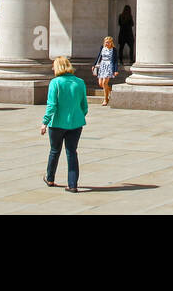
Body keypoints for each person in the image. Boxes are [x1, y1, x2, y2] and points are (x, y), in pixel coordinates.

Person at [42, 55, 89, 192]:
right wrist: (78, 116)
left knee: (55, 151)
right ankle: (72, 184)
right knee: (72, 153)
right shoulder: (80, 82)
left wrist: (44, 122)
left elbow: (52, 105)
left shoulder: (55, 83)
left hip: (56, 123)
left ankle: (50, 178)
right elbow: (84, 106)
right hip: (76, 123)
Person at [93, 36, 120, 107]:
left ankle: (105, 99)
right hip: (102, 66)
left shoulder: (114, 50)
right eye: (105, 42)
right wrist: (94, 65)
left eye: (108, 42)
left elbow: (115, 61)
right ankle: (110, 91)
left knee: (105, 82)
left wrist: (116, 70)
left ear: (111, 43)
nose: (106, 43)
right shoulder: (102, 48)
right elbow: (99, 56)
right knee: (101, 84)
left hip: (109, 66)